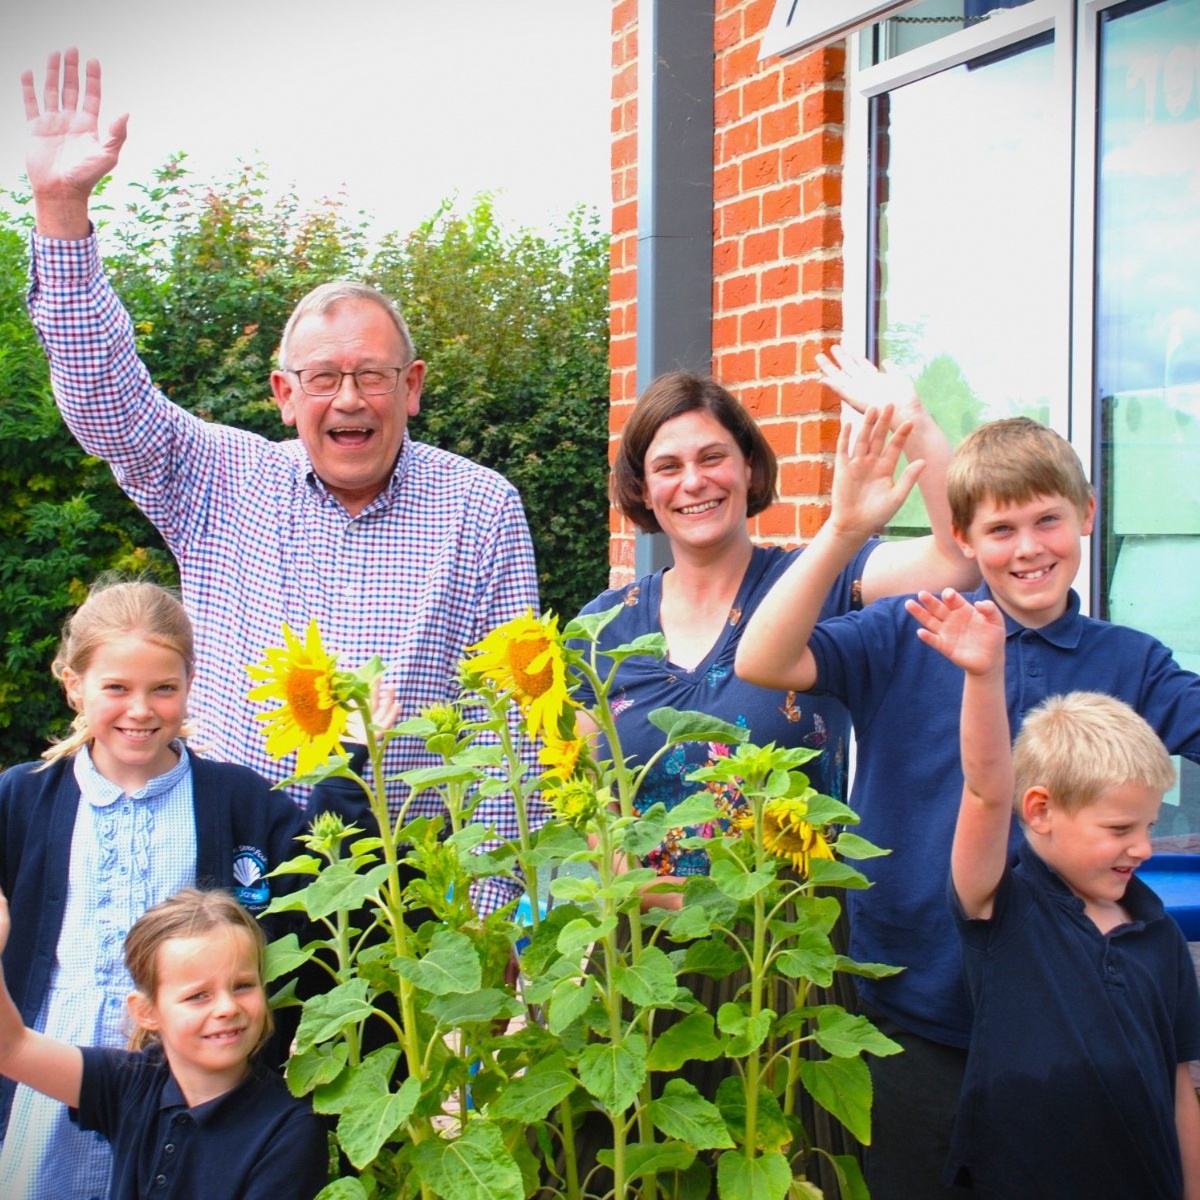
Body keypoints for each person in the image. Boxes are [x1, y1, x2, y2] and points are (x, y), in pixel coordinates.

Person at [20, 49, 540, 914]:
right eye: (324, 377)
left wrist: (490, 947)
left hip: (399, 892)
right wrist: (63, 211)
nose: (349, 398)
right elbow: (107, 403)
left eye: (373, 375)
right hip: (217, 873)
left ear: (411, 388)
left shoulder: (480, 507)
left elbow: (505, 738)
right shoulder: (219, 475)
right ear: (283, 392)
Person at [735, 416, 1200, 1199]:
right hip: (917, 1003)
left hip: (1069, 1020)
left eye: (1049, 519)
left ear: (1088, 514)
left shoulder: (1132, 663)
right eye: (1002, 528)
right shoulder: (910, 628)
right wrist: (846, 529)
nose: (1029, 548)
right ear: (963, 536)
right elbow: (763, 657)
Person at [574, 358, 977, 890]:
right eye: (668, 467)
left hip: (787, 937)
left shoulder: (819, 582)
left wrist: (915, 424)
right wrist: (680, 910)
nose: (694, 482)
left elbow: (961, 560)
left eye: (713, 458)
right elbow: (586, 805)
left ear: (750, 469)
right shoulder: (603, 629)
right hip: (642, 948)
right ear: (644, 490)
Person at [0, 579, 306, 1200]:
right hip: (48, 1064)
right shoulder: (22, 796)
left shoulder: (241, 800)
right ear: (73, 685)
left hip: (187, 1076)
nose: (140, 710)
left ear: (189, 684)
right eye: (116, 688)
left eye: (163, 688)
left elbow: (317, 916)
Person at [907, 586, 1200, 1198]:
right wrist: (984, 676)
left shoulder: (1159, 937)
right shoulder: (1001, 907)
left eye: (1148, 827)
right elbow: (988, 791)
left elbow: (1179, 1087)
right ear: (1039, 810)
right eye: (1120, 829)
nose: (1143, 847)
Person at [0, 886, 329, 1200]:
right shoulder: (134, 1083)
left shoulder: (290, 1127)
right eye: (198, 996)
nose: (228, 1008)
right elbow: (11, 1049)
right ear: (146, 1012)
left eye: (243, 985)